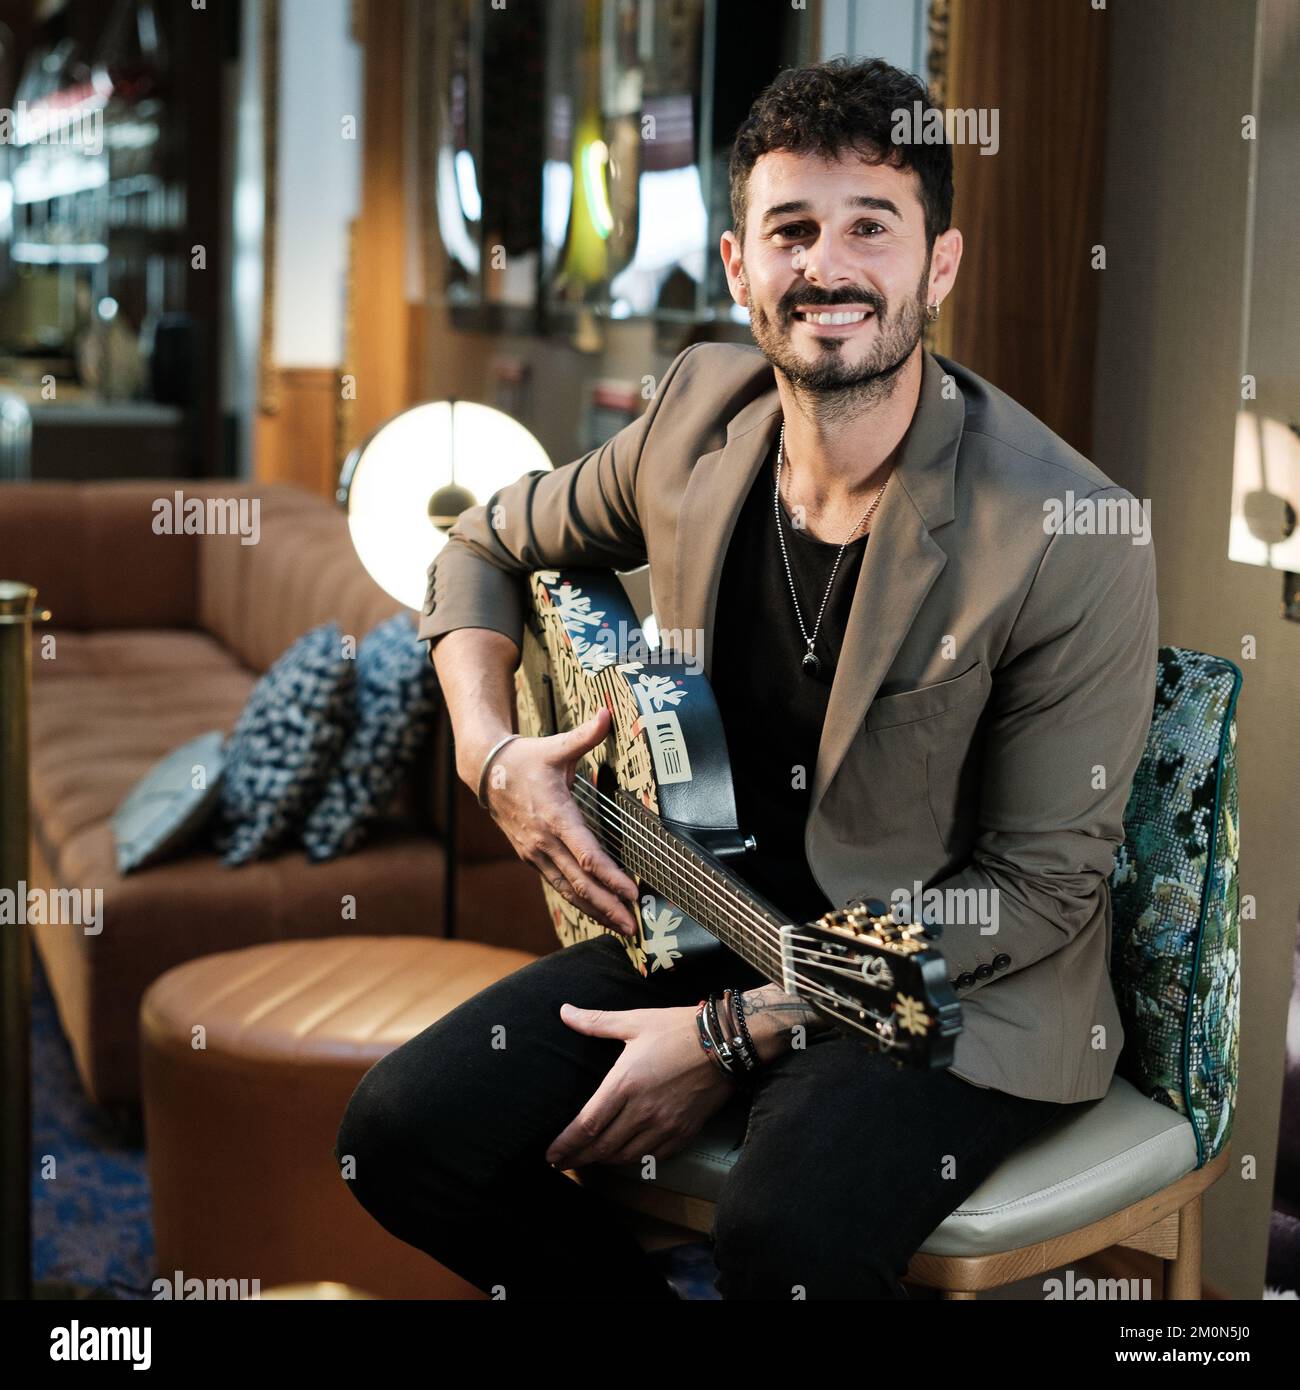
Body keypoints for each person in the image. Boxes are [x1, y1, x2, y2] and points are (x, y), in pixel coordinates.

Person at [334, 55, 1158, 1300]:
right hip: (709, 925)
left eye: (869, 226)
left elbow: (1034, 895)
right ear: (738, 268)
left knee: (784, 1241)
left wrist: (733, 1033)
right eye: (791, 230)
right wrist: (489, 753)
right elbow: (479, 543)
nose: (827, 266)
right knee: (396, 1139)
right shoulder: (694, 414)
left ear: (937, 265)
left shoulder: (1065, 530)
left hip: (944, 997)